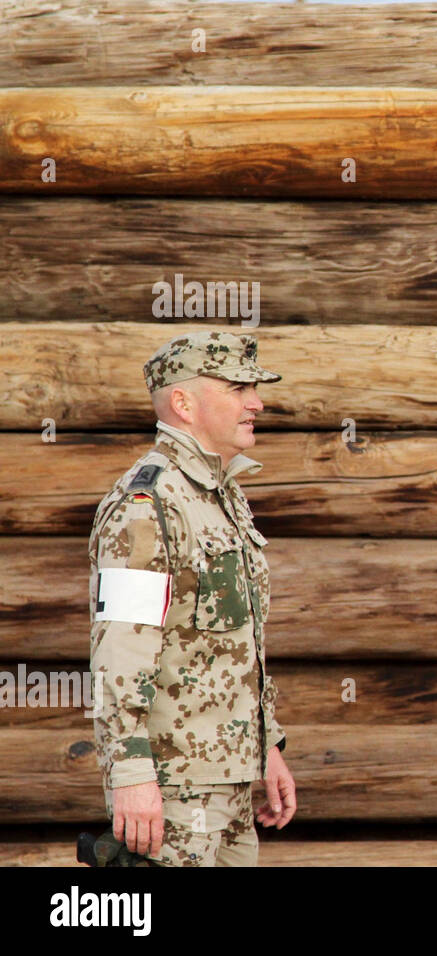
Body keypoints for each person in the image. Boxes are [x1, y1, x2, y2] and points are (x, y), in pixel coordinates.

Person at [88, 331, 296, 866]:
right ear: (183, 402)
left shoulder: (219, 494)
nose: (257, 403)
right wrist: (132, 775)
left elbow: (234, 642)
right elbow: (122, 653)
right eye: (237, 388)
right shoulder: (148, 503)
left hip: (230, 779)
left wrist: (265, 745)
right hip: (175, 789)